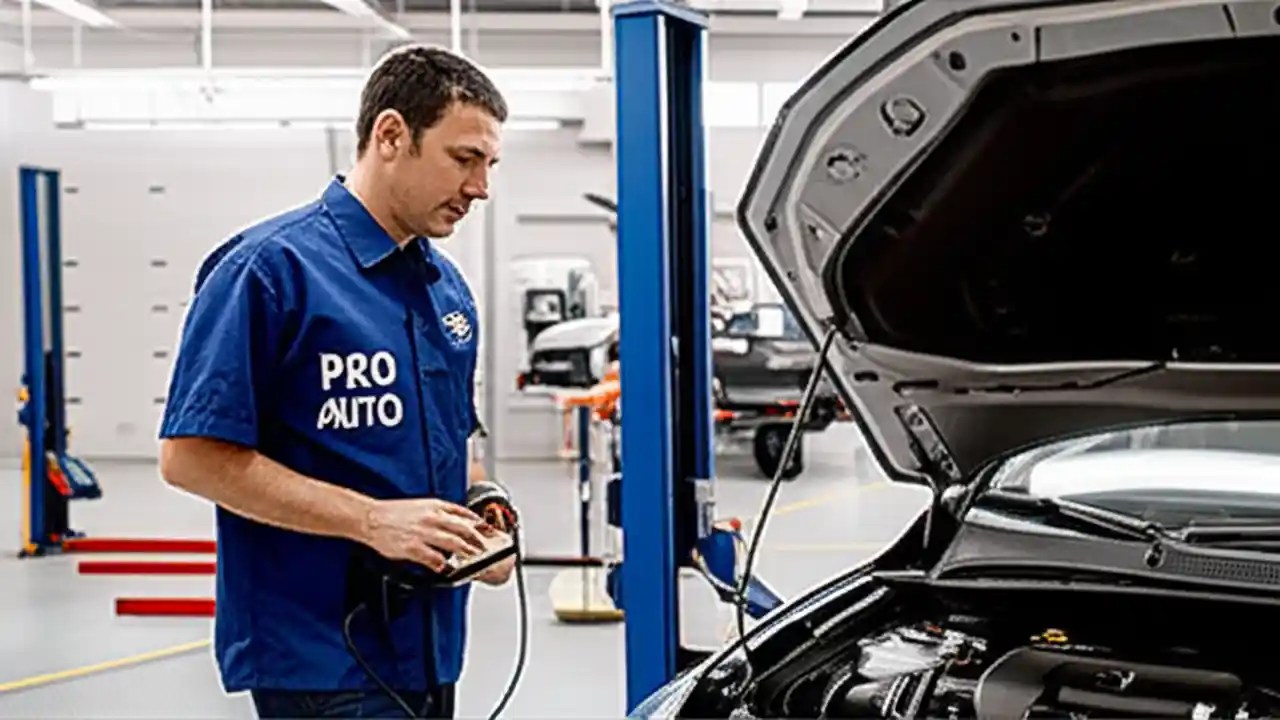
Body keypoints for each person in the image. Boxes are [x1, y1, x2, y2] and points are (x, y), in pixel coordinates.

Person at [157, 44, 510, 719]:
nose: (480, 188)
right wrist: (371, 521)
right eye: (464, 159)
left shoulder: (446, 289)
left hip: (430, 646)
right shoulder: (268, 271)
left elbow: (454, 438)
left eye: (490, 165)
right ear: (390, 136)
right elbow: (190, 457)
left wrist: (484, 513)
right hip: (323, 655)